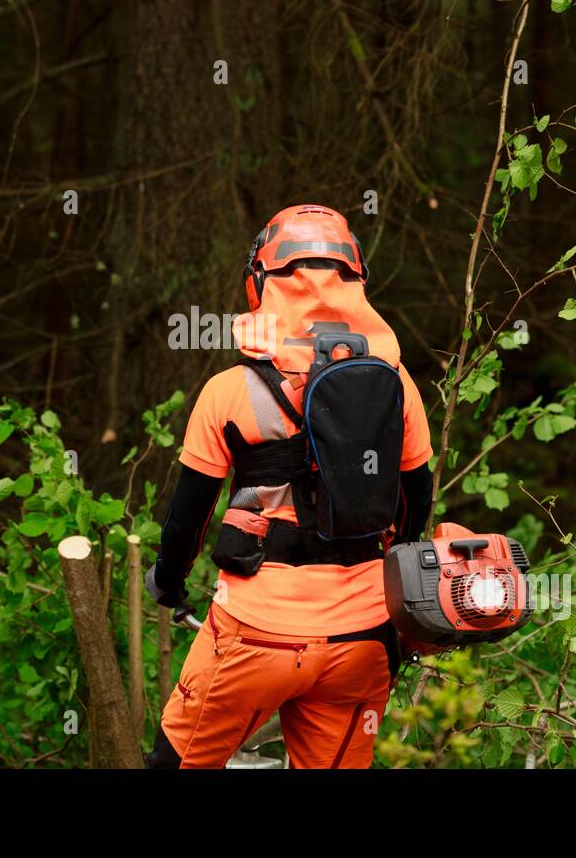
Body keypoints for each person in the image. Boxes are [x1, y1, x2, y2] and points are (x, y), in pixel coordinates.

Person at [144, 204, 434, 768]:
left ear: (261, 284)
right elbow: (413, 505)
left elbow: (188, 519)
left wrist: (169, 582)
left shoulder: (230, 391)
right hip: (363, 641)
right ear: (356, 283)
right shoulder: (398, 385)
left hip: (256, 634)